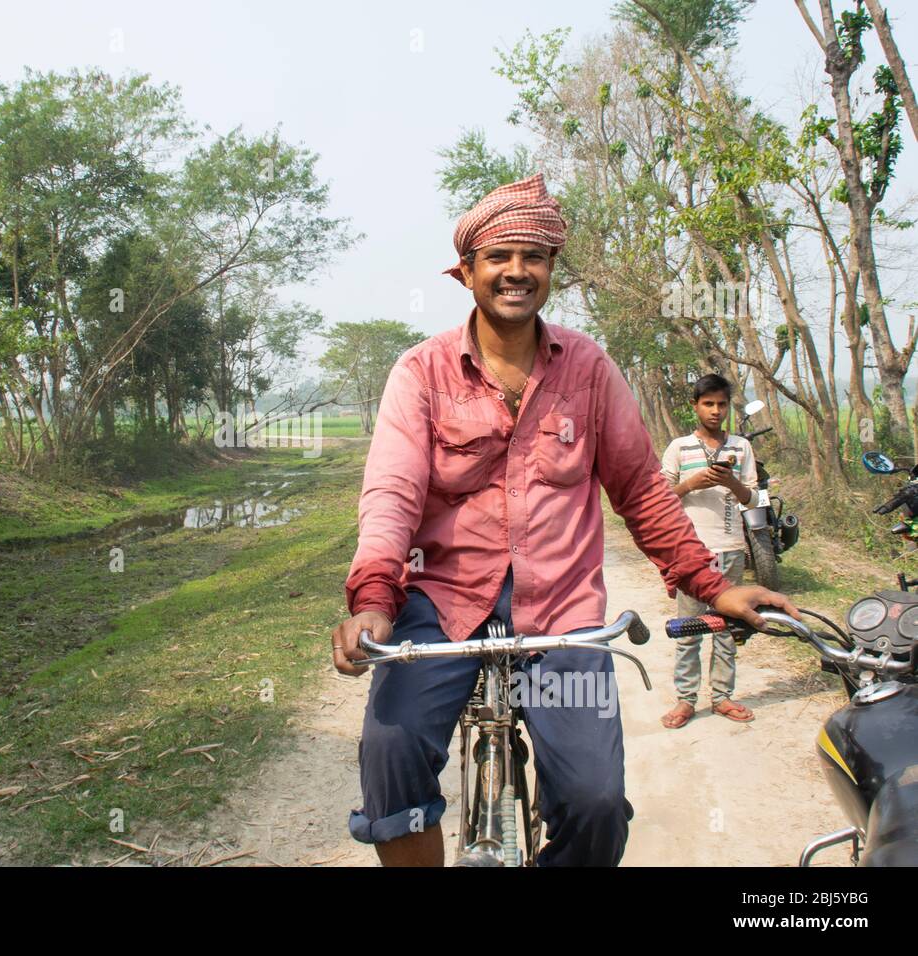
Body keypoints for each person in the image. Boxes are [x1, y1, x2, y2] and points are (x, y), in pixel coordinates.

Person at [331, 173, 798, 867]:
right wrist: (373, 601)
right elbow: (392, 494)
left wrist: (709, 581)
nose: (517, 271)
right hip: (440, 602)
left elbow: (641, 489)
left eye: (534, 256)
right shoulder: (420, 373)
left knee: (596, 801)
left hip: (563, 611)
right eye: (498, 257)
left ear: (551, 269)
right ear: (466, 272)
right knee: (390, 751)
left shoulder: (589, 367)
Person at [658, 374, 759, 729]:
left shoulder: (742, 448)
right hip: (690, 552)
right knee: (689, 630)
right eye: (708, 404)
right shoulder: (679, 447)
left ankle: (722, 696)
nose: (716, 411)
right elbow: (658, 498)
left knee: (727, 628)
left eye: (722, 404)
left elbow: (753, 498)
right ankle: (686, 700)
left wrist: (731, 481)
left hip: (730, 548)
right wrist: (691, 483)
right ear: (695, 406)